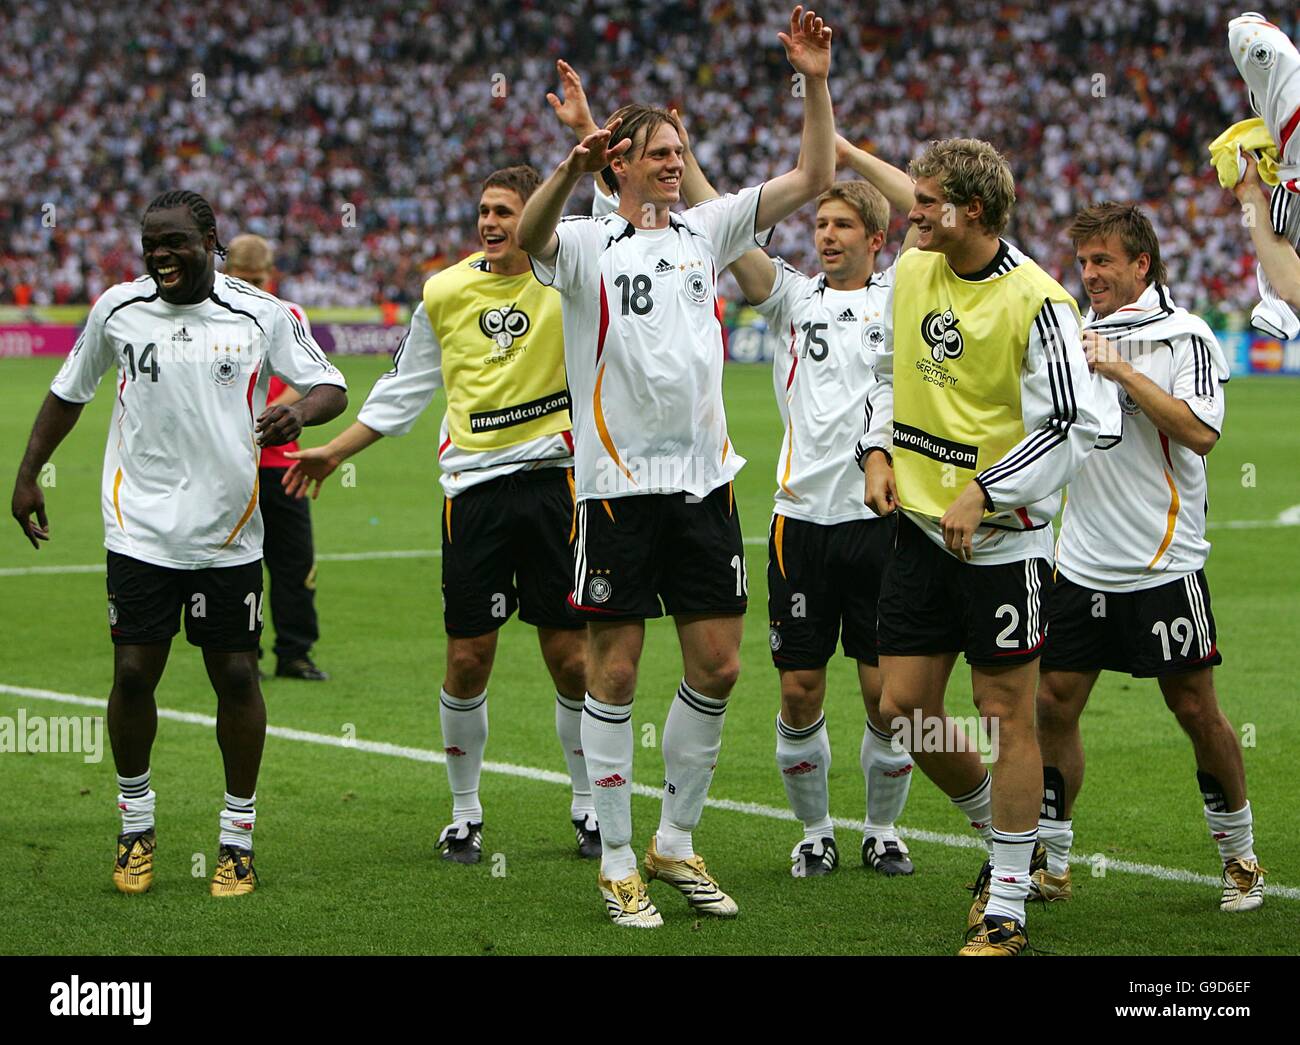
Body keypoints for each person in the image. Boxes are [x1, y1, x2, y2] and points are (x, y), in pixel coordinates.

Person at [517, 5, 837, 928]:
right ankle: (616, 857)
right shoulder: (584, 244)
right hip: (618, 494)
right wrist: (567, 163)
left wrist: (813, 78)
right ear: (619, 163)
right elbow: (534, 238)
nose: (675, 161)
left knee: (722, 664)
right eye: (659, 151)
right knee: (613, 672)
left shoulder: (707, 230)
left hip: (706, 487)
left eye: (680, 148)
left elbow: (815, 176)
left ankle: (674, 839)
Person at [10, 190, 347, 896]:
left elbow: (331, 387)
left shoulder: (261, 313)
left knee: (235, 677)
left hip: (228, 530)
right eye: (149, 242)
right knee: (133, 673)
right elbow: (70, 390)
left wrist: (296, 411)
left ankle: (237, 838)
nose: (160, 254)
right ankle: (135, 826)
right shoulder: (118, 309)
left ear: (210, 242)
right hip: (138, 525)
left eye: (175, 242)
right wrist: (29, 471)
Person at [284, 167, 598, 863]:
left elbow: (605, 216)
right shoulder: (446, 291)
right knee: (466, 657)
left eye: (506, 212)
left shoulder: (568, 276)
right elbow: (402, 389)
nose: (490, 223)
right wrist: (334, 452)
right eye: (483, 211)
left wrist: (583, 157)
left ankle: (588, 805)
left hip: (556, 488)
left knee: (572, 657)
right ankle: (464, 811)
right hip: (474, 496)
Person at [857, 139, 1109, 955]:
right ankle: (1007, 833)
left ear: (971, 211)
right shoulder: (912, 265)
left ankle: (1006, 901)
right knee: (900, 711)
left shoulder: (1039, 303)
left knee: (1005, 718)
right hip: (922, 534)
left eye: (928, 199)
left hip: (1005, 544)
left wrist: (986, 488)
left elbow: (1071, 428)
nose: (913, 209)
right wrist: (877, 448)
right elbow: (889, 370)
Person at [1035, 202, 1264, 912]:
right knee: (1053, 703)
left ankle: (1240, 858)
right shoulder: (1073, 335)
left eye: (1104, 261)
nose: (1090, 274)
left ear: (1142, 263)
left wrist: (1122, 372)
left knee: (1195, 707)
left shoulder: (1184, 334)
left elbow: (1199, 432)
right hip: (1080, 562)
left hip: (1163, 563)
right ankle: (1055, 859)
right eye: (1083, 263)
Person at [722, 135, 920, 878]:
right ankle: (813, 832)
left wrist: (847, 153)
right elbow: (723, 224)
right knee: (801, 688)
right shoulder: (791, 297)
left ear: (874, 239)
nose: (826, 236)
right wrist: (691, 170)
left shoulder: (903, 293)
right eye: (819, 225)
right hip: (799, 522)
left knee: (887, 698)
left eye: (840, 226)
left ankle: (882, 830)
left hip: (881, 524)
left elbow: (925, 213)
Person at [224, 234, 329, 681]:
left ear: (272, 277)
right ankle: (237, 651)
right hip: (231, 464)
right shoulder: (213, 320)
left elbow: (307, 381)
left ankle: (294, 652)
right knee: (230, 563)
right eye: (242, 280)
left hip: (282, 462)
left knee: (293, 560)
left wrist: (266, 415)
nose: (251, 287)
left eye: (257, 280)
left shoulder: (287, 315)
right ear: (225, 275)